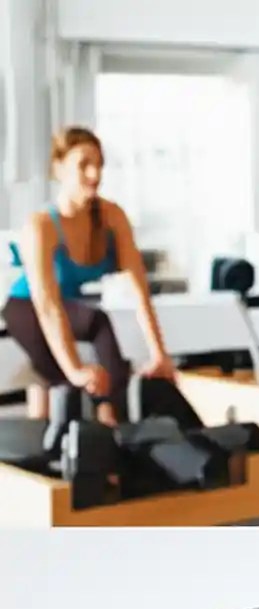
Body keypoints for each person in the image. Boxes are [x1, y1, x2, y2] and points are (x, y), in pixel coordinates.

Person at [3, 126, 174, 426]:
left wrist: (160, 355)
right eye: (84, 164)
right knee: (71, 386)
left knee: (99, 323)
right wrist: (75, 370)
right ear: (58, 168)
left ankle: (117, 422)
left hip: (63, 307)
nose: (95, 174)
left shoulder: (111, 217)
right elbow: (47, 306)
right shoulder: (41, 225)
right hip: (25, 307)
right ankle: (101, 418)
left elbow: (139, 291)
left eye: (99, 164)